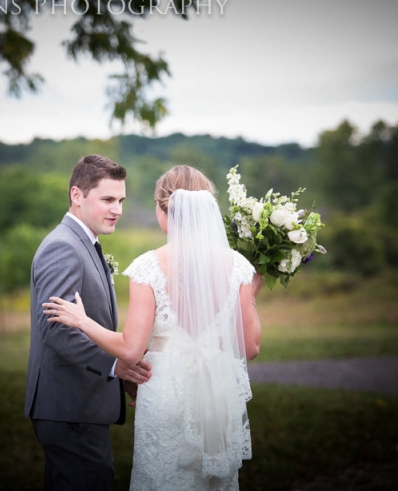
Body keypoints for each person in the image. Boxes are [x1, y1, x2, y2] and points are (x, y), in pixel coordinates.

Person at [44, 165, 262, 490]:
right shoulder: (240, 267)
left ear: (164, 209)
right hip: (216, 397)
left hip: (165, 393)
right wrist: (251, 298)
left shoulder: (149, 266)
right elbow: (249, 348)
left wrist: (82, 320)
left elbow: (132, 348)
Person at [24, 155, 153, 491]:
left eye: (121, 200)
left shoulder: (84, 243)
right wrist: (115, 366)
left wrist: (116, 377)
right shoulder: (63, 248)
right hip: (70, 409)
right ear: (77, 195)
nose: (118, 209)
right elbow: (56, 329)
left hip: (78, 407)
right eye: (108, 199)